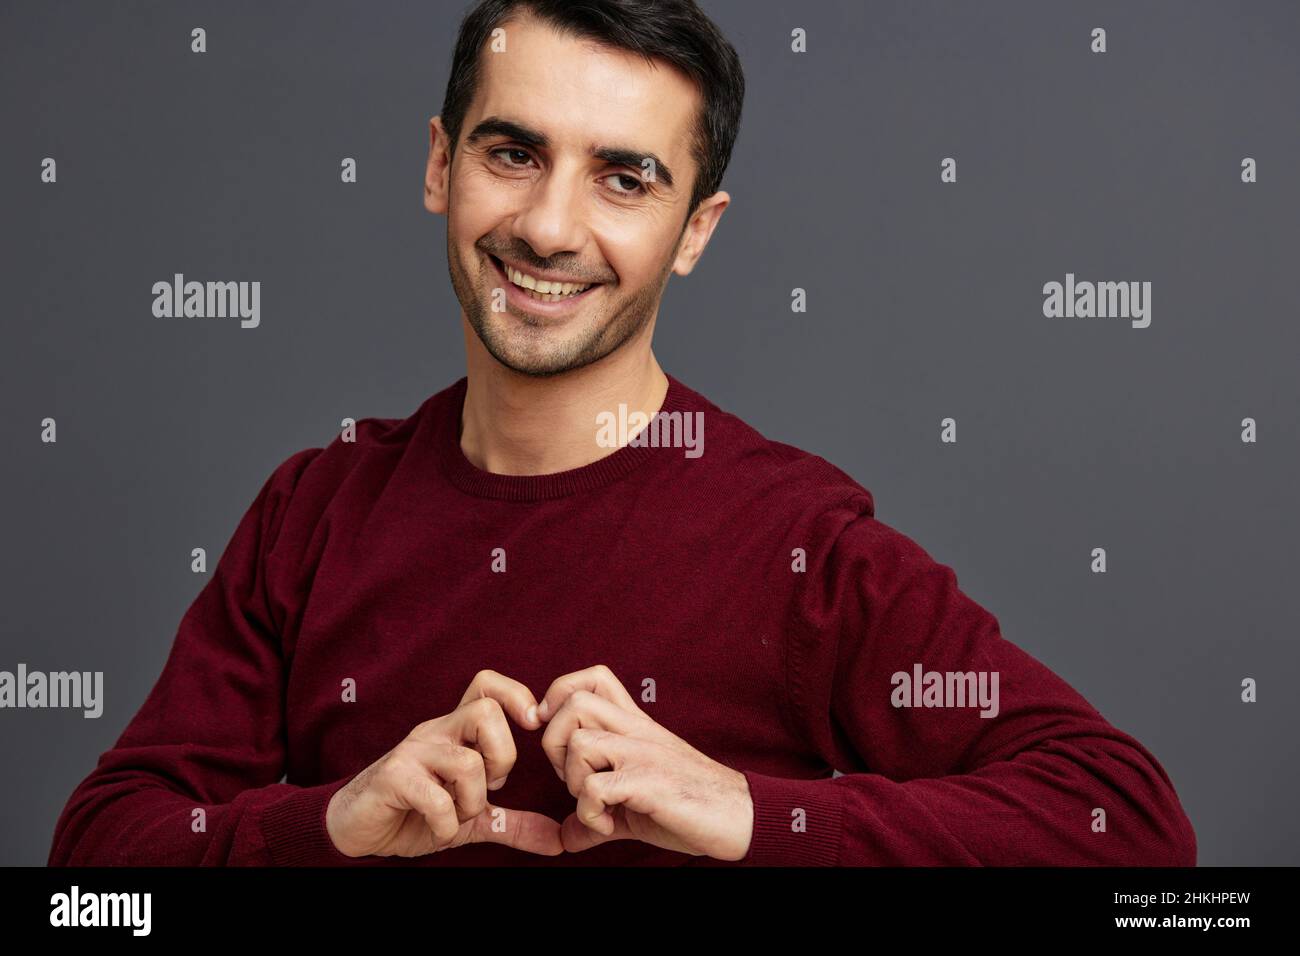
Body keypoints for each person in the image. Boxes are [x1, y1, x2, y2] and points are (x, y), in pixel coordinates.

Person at [48, 0, 1196, 867]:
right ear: (441, 165)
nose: (549, 226)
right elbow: (92, 873)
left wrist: (751, 809)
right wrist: (330, 823)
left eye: (623, 179)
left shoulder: (793, 540)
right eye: (513, 153)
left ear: (695, 230)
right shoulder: (313, 510)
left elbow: (1126, 821)